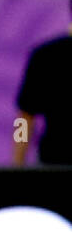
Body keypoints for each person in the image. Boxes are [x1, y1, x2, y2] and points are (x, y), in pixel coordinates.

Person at [14, 24, 72, 165]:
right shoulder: (46, 56)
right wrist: (17, 164)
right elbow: (25, 118)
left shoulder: (45, 54)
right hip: (55, 162)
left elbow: (24, 118)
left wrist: (17, 163)